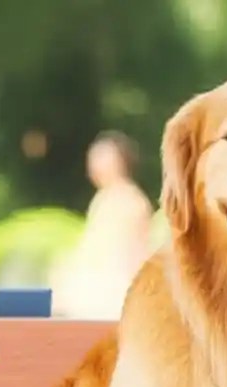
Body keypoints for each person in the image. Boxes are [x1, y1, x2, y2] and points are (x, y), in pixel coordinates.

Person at [51, 130, 155, 319]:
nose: (95, 165)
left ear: (121, 161)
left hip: (112, 293)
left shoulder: (131, 200)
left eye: (102, 158)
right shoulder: (102, 199)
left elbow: (137, 251)